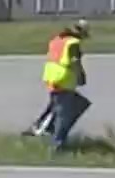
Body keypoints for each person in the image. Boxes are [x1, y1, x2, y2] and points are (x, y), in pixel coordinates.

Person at [35, 19, 91, 152]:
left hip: (52, 78)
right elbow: (74, 62)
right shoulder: (73, 44)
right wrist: (81, 77)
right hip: (64, 80)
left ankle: (45, 127)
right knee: (63, 114)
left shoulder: (57, 40)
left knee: (77, 104)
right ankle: (57, 144)